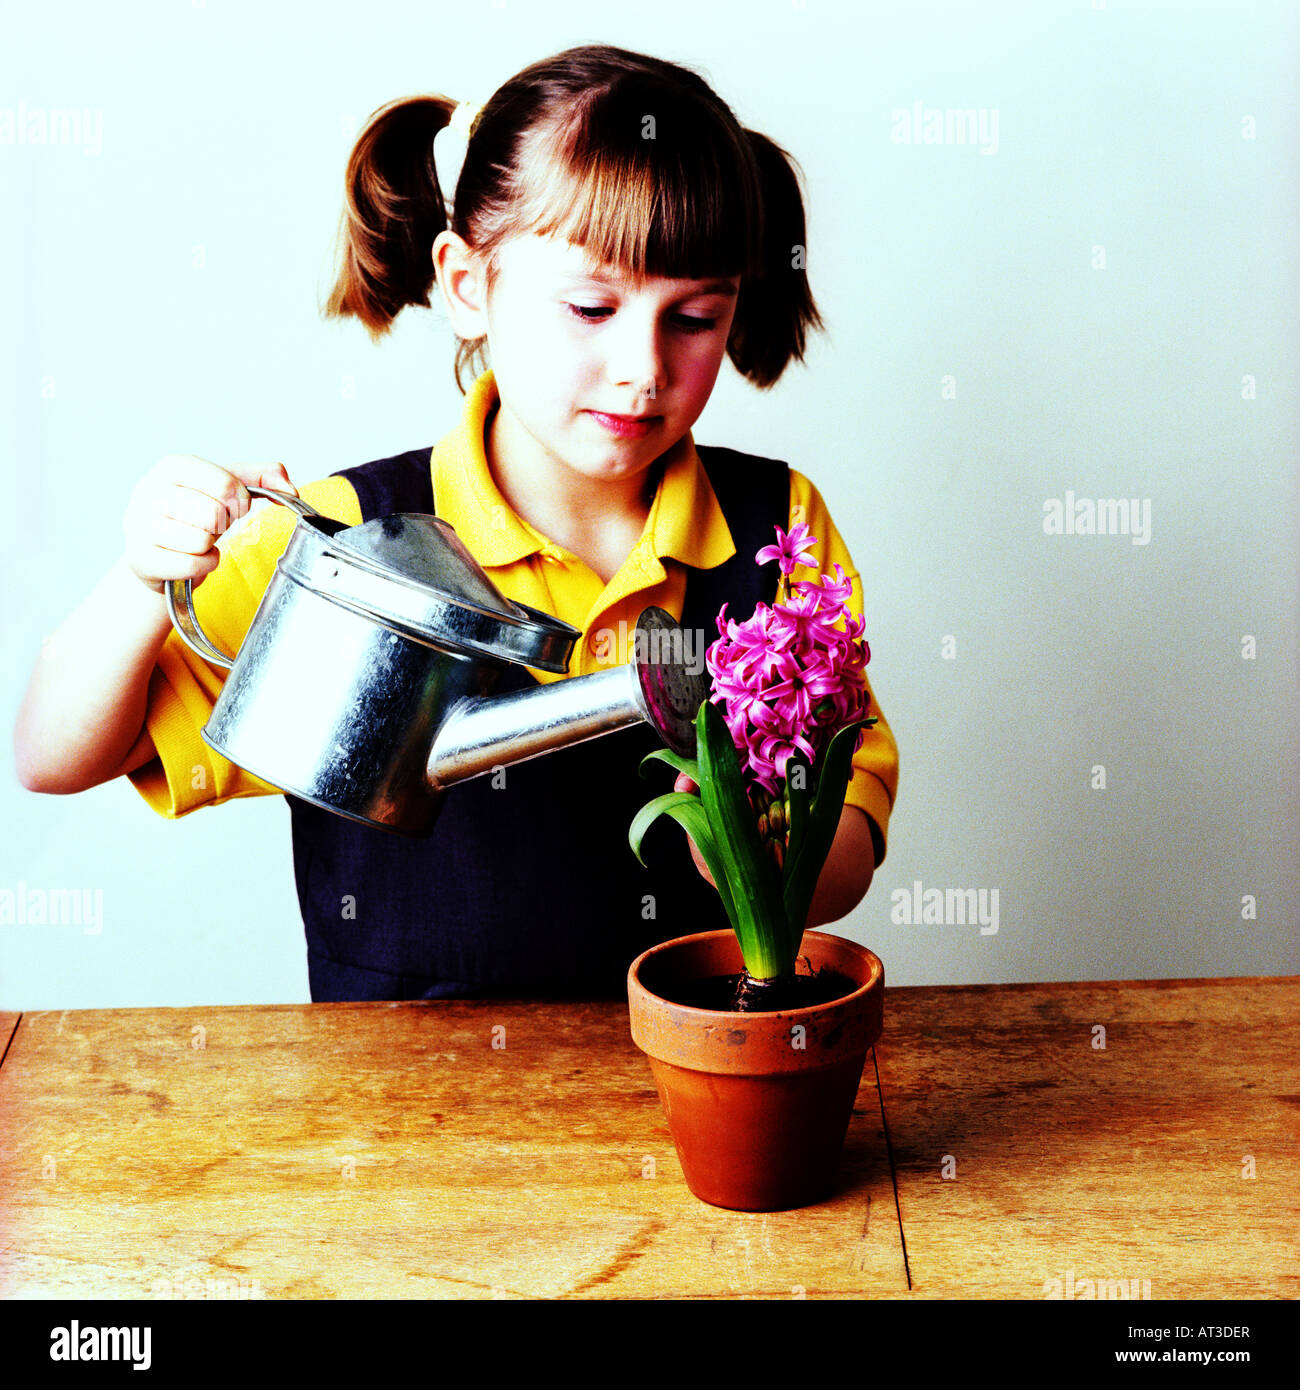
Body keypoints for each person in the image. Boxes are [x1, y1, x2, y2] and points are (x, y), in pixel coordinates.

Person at [14, 44, 899, 1002]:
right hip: (402, 1113)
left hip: (694, 1094)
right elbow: (52, 756)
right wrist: (147, 579)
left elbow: (847, 842)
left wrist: (760, 849)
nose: (643, 368)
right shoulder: (353, 541)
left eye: (693, 318)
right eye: (592, 307)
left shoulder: (777, 527)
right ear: (468, 285)